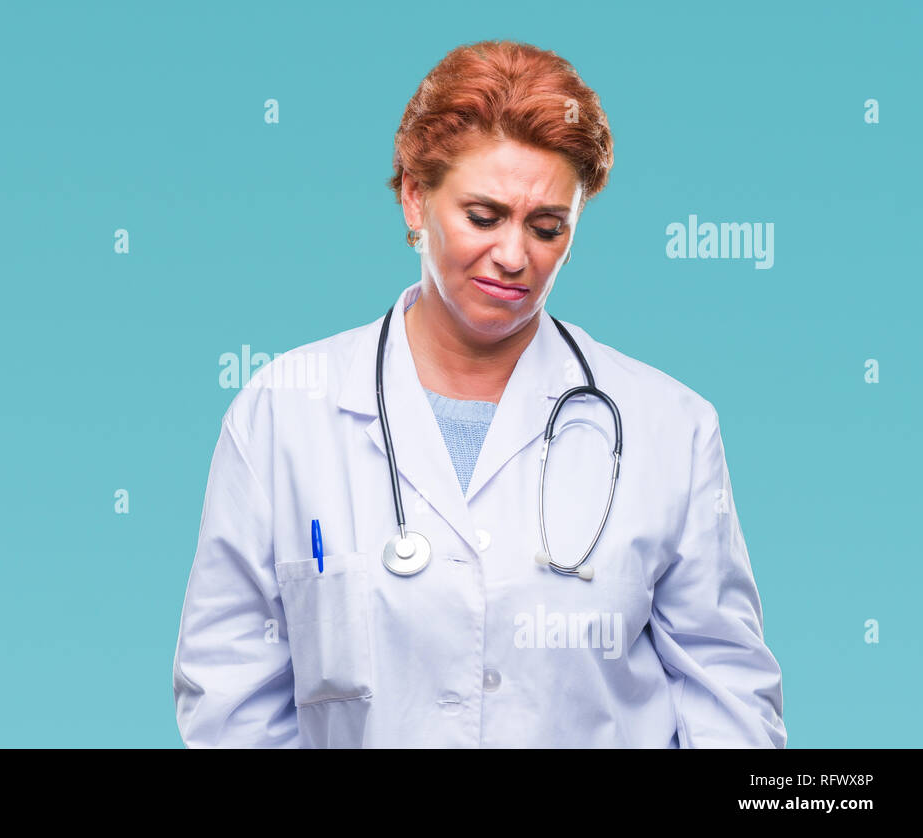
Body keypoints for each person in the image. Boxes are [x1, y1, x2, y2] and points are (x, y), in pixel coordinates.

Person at [172, 39, 785, 748]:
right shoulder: (283, 414)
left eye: (548, 227)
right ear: (413, 196)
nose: (515, 255)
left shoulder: (670, 429)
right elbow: (229, 697)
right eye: (485, 216)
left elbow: (729, 703)